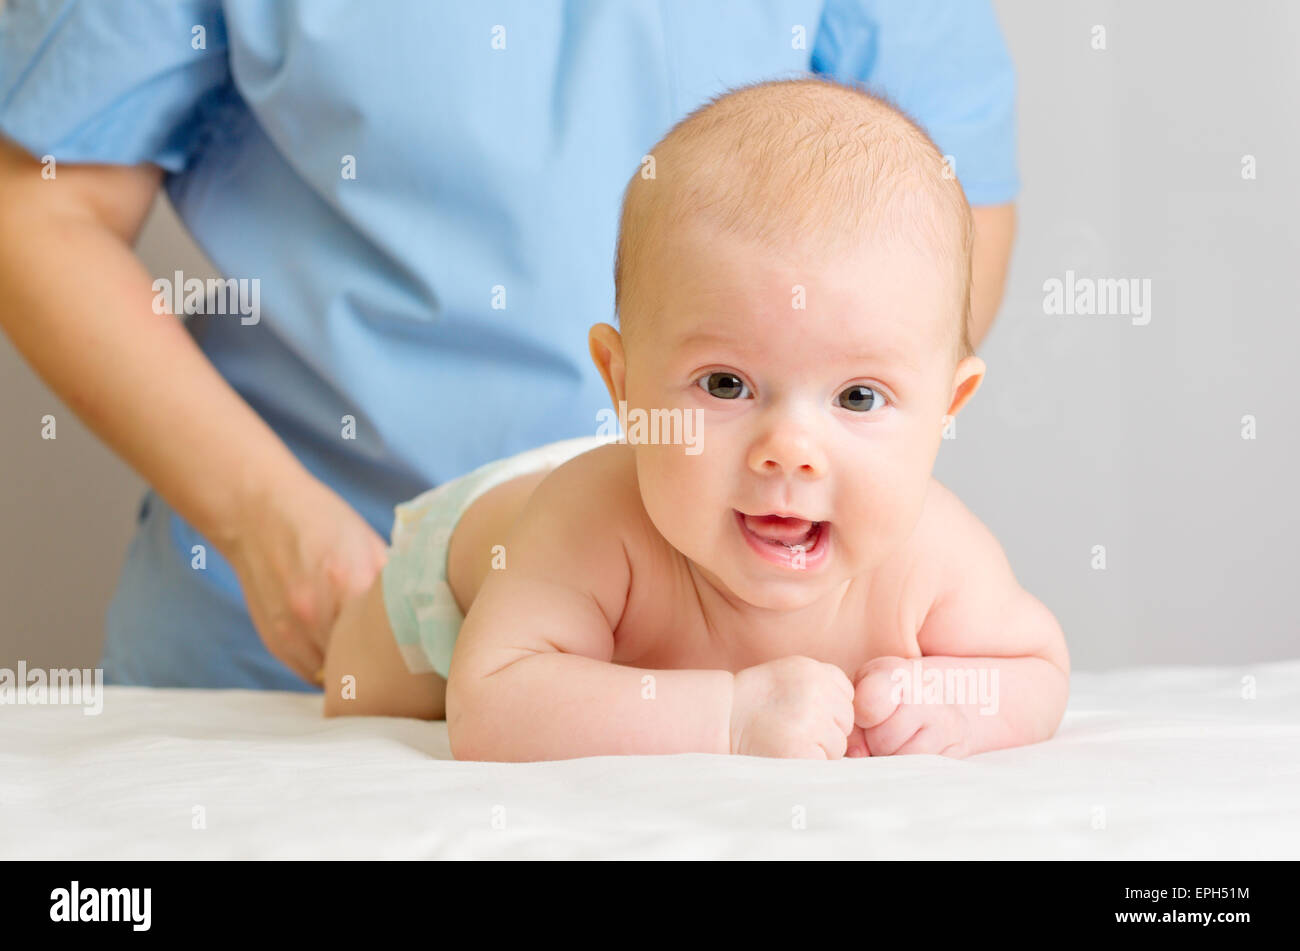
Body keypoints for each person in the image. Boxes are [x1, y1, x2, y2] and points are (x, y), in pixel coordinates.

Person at [0, 1, 1018, 692]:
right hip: (315, 626)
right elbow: (40, 209)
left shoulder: (942, 567)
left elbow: (934, 227)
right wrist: (276, 532)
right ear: (614, 376)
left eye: (855, 401)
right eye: (726, 386)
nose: (796, 442)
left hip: (744, 651)